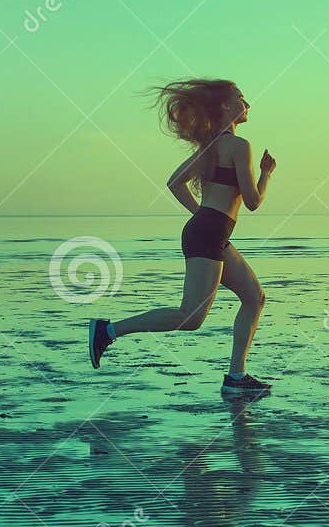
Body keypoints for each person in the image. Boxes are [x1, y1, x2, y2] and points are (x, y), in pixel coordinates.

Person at [87, 79, 276, 396]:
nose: (248, 104)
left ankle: (236, 377)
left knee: (254, 297)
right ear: (226, 107)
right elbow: (254, 201)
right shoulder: (239, 147)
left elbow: (175, 182)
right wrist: (266, 174)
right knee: (189, 317)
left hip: (209, 230)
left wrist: (200, 215)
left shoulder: (210, 148)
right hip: (210, 231)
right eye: (242, 99)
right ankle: (107, 331)